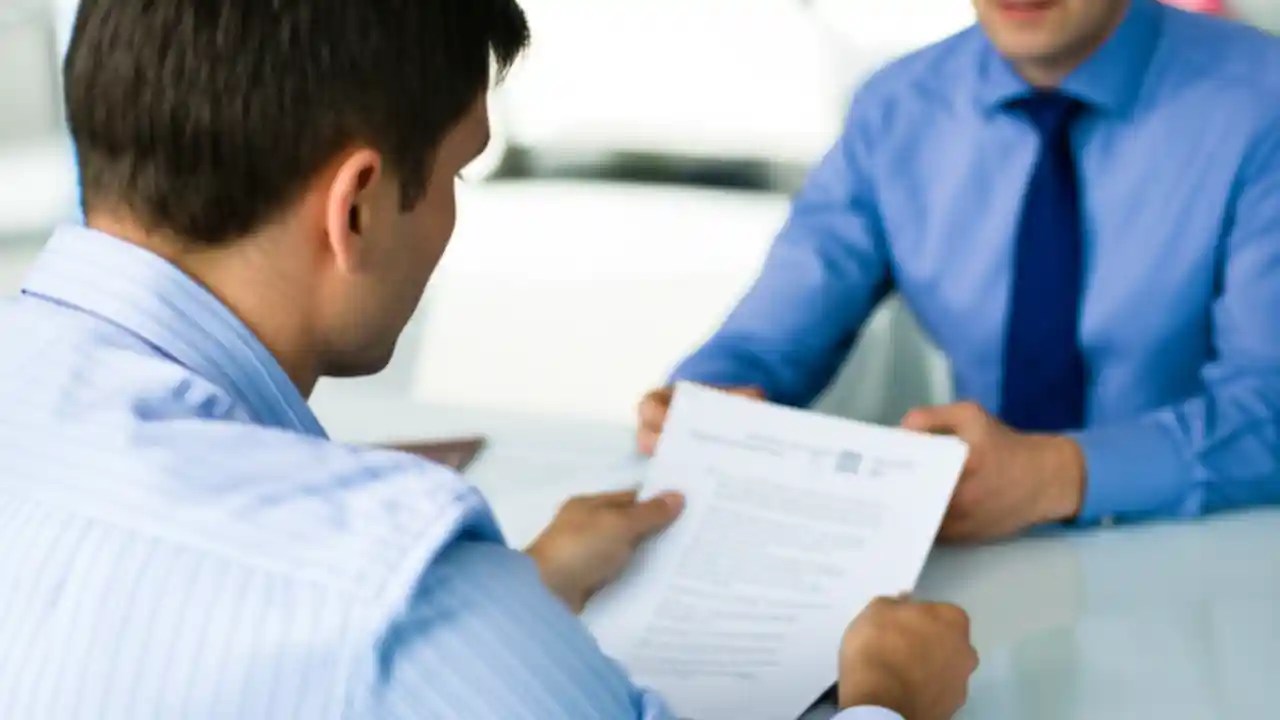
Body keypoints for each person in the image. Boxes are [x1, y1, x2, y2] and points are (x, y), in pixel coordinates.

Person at [0, 1, 978, 718]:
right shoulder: (389, 583)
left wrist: (522, 591)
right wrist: (886, 699)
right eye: (459, 170)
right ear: (357, 207)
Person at [639, 0, 1280, 543]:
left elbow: (1271, 408)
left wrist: (1058, 474)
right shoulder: (895, 110)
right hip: (980, 563)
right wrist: (706, 401)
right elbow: (770, 339)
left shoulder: (1262, 101)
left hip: (1216, 556)